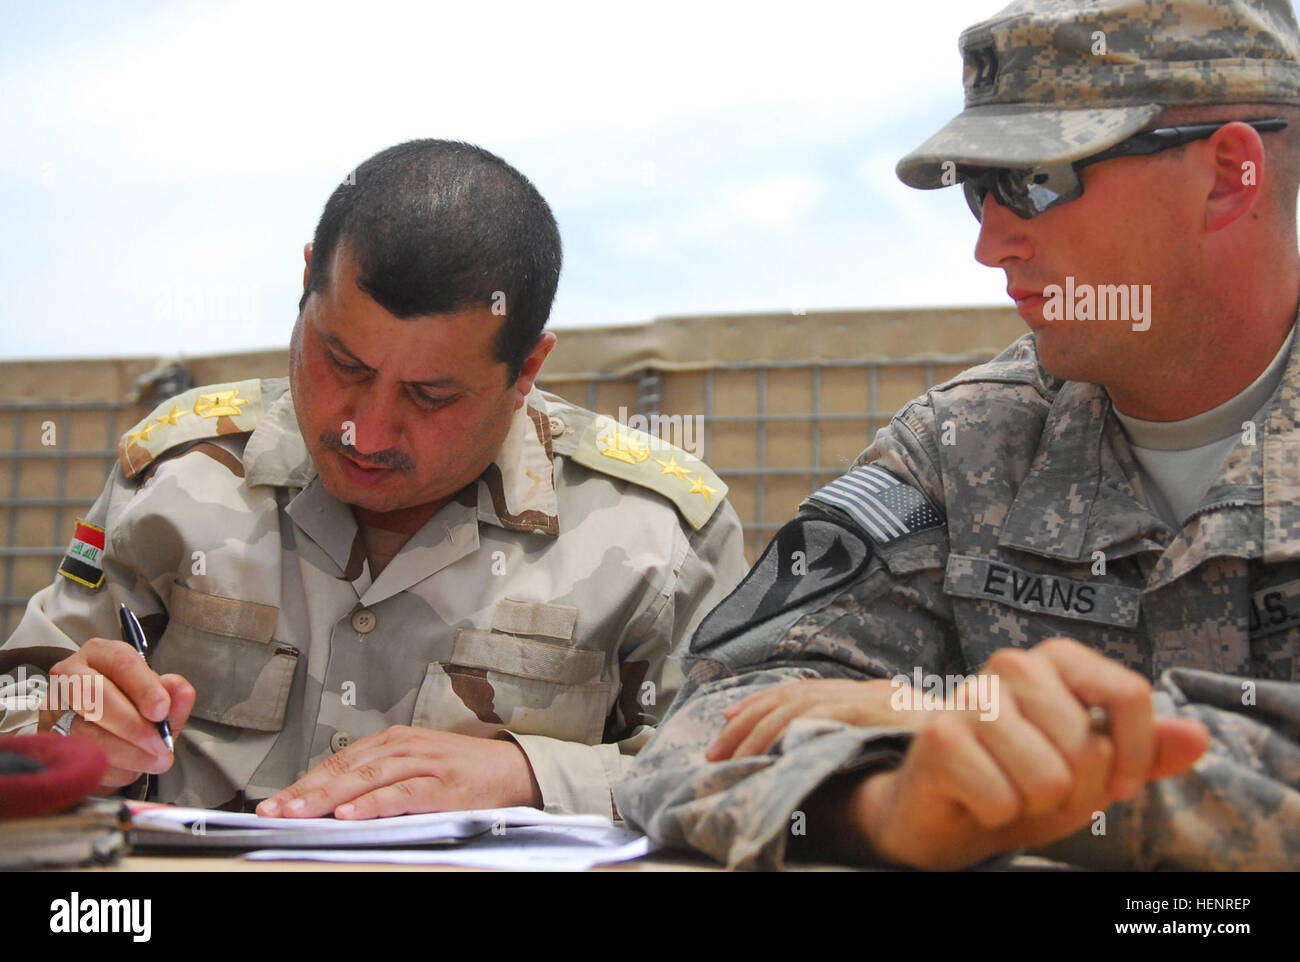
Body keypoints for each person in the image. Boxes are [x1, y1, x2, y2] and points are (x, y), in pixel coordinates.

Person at [615, 0, 1300, 870]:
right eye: (979, 190)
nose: (990, 244)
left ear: (1230, 174)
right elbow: (703, 726)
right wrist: (887, 805)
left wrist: (988, 737)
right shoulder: (963, 446)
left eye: (1034, 181)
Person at [0, 139, 748, 819]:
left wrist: (531, 776)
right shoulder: (178, 474)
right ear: (306, 283)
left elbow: (748, 777)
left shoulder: (658, 537)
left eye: (431, 395)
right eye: (343, 364)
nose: (368, 429)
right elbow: (19, 695)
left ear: (526, 369)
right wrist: (63, 726)